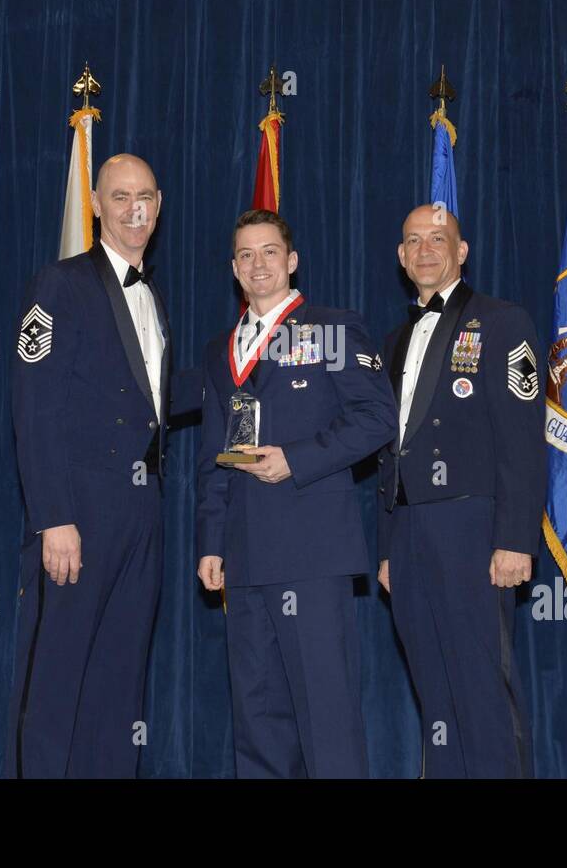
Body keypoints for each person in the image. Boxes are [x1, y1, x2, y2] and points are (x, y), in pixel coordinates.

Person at [195, 208, 397, 778]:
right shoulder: (221, 350)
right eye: (246, 255)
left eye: (269, 252)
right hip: (244, 552)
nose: (258, 264)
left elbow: (378, 417)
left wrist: (297, 459)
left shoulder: (332, 329)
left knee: (326, 717)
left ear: (292, 261)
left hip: (312, 552)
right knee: (257, 720)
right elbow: (214, 454)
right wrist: (211, 542)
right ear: (234, 268)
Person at [6, 153, 171, 778]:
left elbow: (149, 402)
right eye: (121, 195)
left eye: (146, 196)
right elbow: (35, 406)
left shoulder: (152, 296)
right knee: (54, 683)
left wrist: (238, 384)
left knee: (118, 685)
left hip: (141, 513)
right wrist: (54, 517)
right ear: (97, 204)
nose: (135, 207)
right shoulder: (61, 284)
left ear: (159, 207)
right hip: (77, 511)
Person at [376, 204, 546, 778]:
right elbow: (388, 453)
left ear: (462, 250)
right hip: (409, 535)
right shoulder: (393, 340)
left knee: (482, 690)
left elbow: (523, 439)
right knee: (434, 691)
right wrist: (386, 546)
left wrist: (517, 537)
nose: (426, 249)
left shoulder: (503, 322)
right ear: (401, 257)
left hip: (474, 530)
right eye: (413, 240)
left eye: (438, 238)